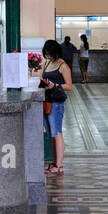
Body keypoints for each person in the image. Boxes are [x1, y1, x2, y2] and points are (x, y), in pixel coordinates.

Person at [40, 39, 73, 175]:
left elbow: (69, 86)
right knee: (50, 134)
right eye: (46, 53)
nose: (47, 56)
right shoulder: (48, 63)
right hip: (47, 101)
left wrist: (56, 85)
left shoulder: (63, 66)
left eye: (49, 53)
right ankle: (54, 163)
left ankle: (59, 166)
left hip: (56, 103)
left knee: (56, 132)